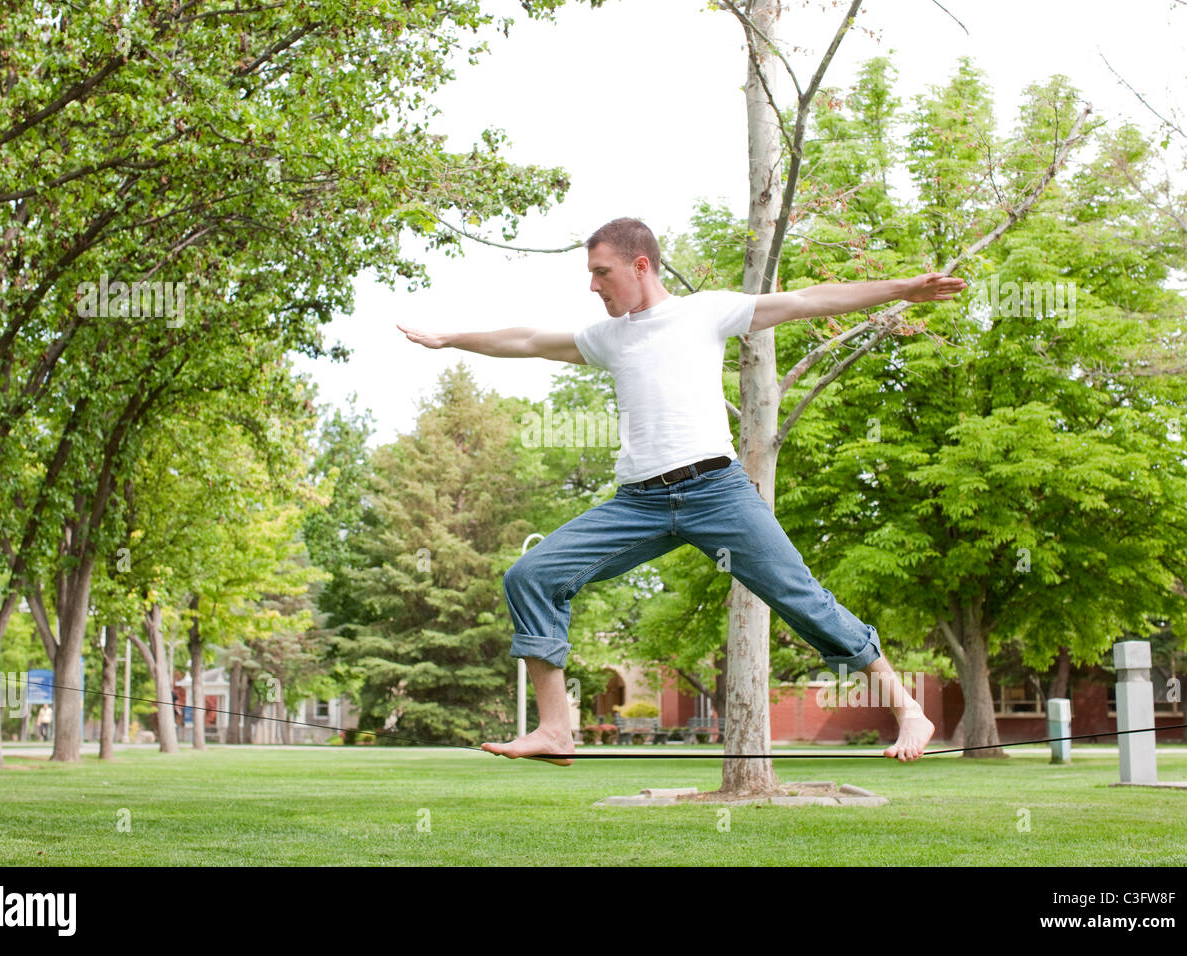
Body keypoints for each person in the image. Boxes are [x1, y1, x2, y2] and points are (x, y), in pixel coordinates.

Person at [398, 217, 966, 765]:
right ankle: (554, 729)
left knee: (803, 599)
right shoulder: (607, 338)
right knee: (530, 576)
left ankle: (908, 710)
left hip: (718, 492)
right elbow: (523, 340)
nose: (593, 286)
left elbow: (809, 300)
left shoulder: (706, 312)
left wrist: (904, 290)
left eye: (601, 272)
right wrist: (452, 339)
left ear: (640, 265)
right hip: (638, 504)